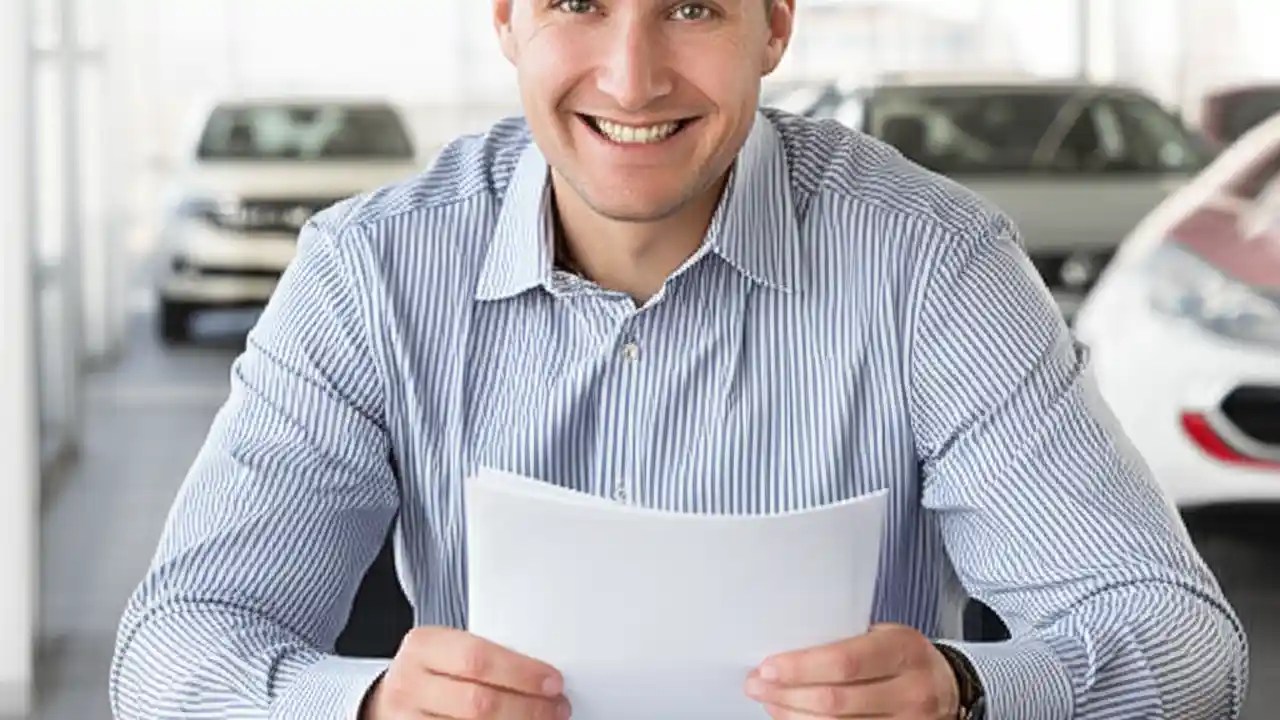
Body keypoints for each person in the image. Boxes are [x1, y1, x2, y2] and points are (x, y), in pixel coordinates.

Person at [111, 1, 1249, 718]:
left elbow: (1182, 643)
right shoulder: (370, 271)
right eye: (576, 4)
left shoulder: (930, 263)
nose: (632, 77)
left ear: (776, 22)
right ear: (505, 17)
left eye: (692, 8)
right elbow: (171, 654)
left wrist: (964, 691)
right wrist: (361, 707)